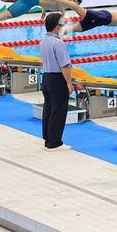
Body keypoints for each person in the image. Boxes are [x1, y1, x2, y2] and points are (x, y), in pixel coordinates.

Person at [39, 11, 78, 151]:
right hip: (57, 79)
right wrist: (69, 83)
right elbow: (65, 65)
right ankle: (55, 142)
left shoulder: (43, 40)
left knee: (48, 109)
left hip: (47, 77)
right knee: (58, 111)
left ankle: (48, 139)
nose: (63, 26)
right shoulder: (58, 43)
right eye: (62, 24)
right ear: (57, 26)